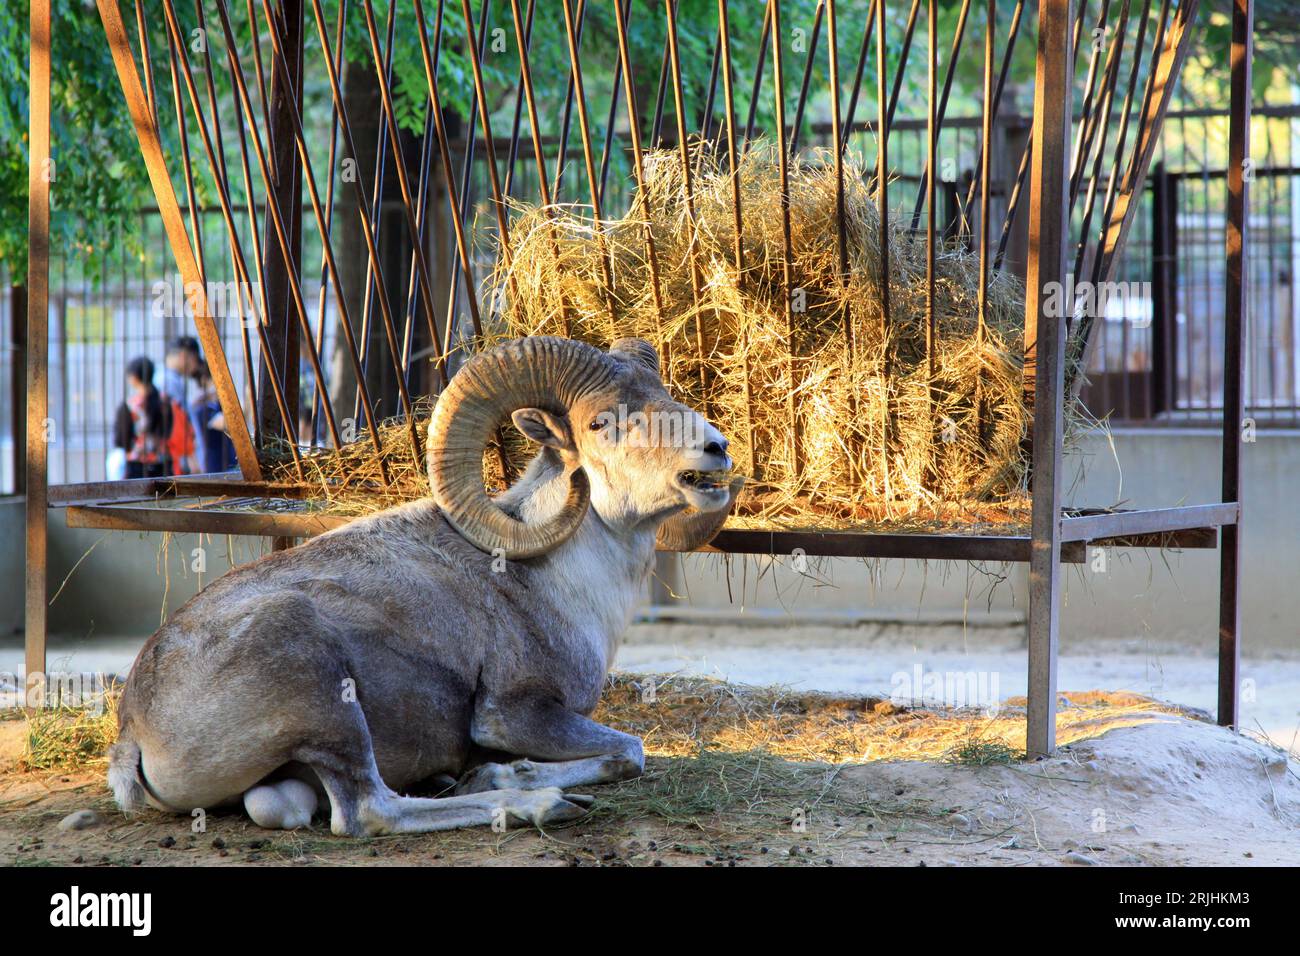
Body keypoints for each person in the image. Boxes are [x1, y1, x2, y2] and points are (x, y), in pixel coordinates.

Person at [114, 356, 172, 479]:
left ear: (133, 377)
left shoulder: (129, 406)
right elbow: (168, 432)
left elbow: (121, 441)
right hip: (162, 464)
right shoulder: (165, 402)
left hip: (136, 465)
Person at [154, 336, 199, 474]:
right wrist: (191, 455)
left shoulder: (166, 377)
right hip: (172, 451)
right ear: (184, 356)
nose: (195, 366)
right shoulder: (167, 381)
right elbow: (178, 419)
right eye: (195, 360)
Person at [190, 361, 237, 473]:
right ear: (204, 380)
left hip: (229, 461)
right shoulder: (202, 408)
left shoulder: (217, 405)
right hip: (216, 465)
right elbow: (230, 423)